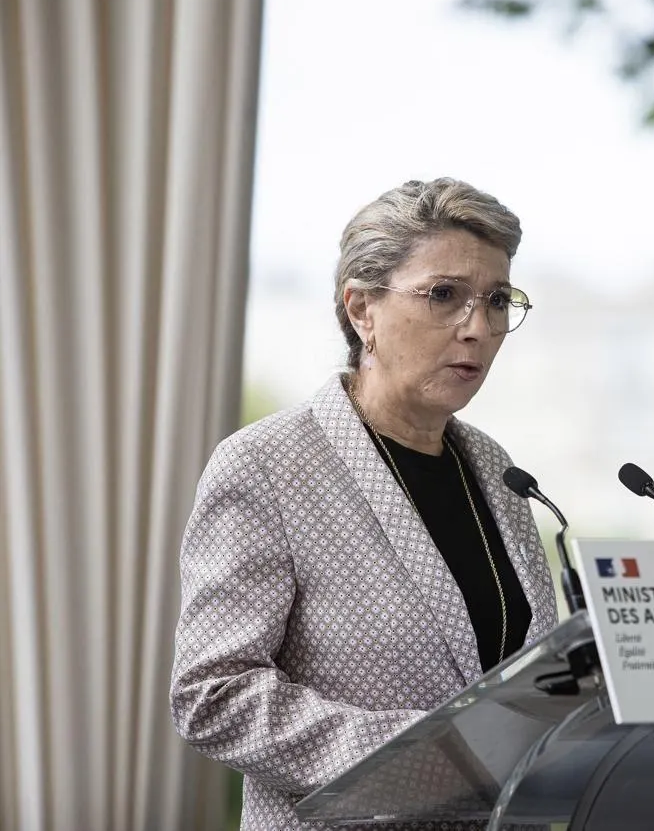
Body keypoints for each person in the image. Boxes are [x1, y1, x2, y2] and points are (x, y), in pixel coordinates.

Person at [170, 178, 559, 830]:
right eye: (444, 295)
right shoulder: (268, 466)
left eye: (496, 300)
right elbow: (213, 693)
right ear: (361, 309)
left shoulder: (498, 471)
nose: (479, 327)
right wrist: (421, 757)